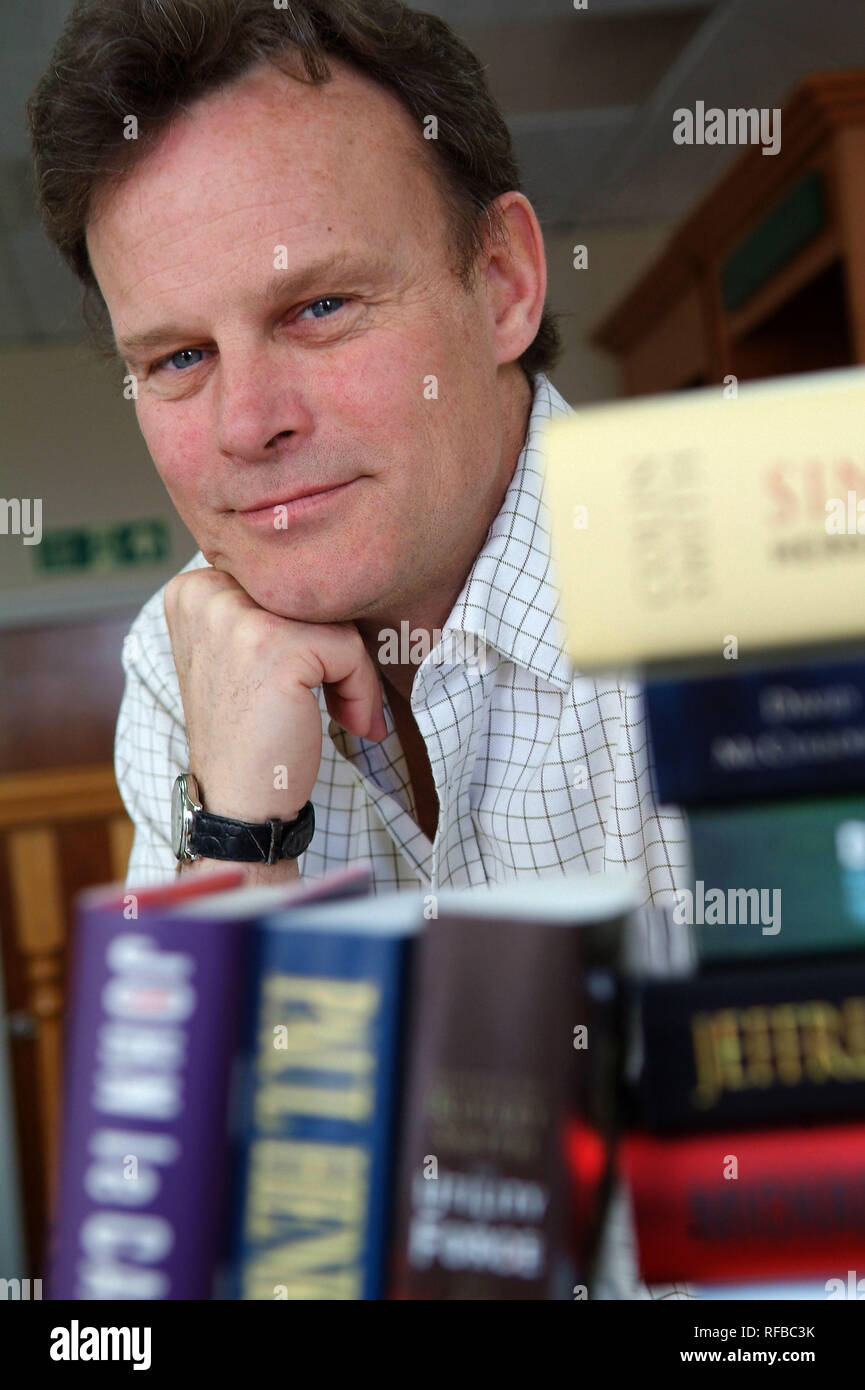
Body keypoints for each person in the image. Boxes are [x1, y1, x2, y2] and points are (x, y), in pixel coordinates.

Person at [29, 0, 690, 1298]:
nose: (247, 422)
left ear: (499, 284)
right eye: (174, 357)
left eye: (320, 306)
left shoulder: (736, 622)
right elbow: (185, 1254)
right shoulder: (186, 666)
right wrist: (239, 837)